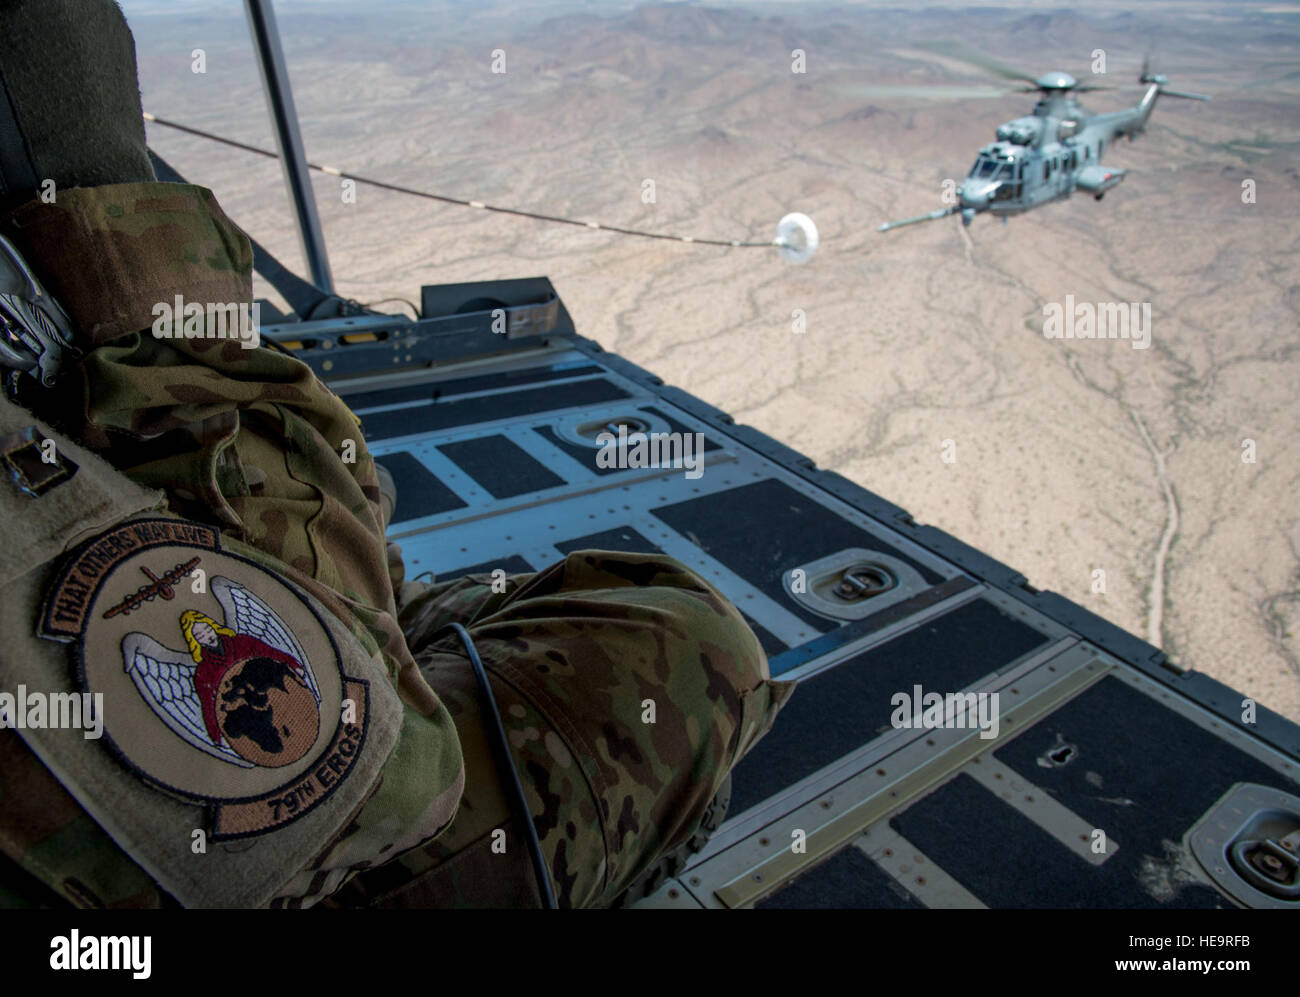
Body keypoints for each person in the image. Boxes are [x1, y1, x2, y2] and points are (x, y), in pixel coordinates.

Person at [0, 0, 791, 908]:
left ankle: (357, 604)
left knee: (356, 549)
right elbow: (380, 789)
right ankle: (367, 614)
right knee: (691, 644)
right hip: (292, 851)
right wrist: (124, 286)